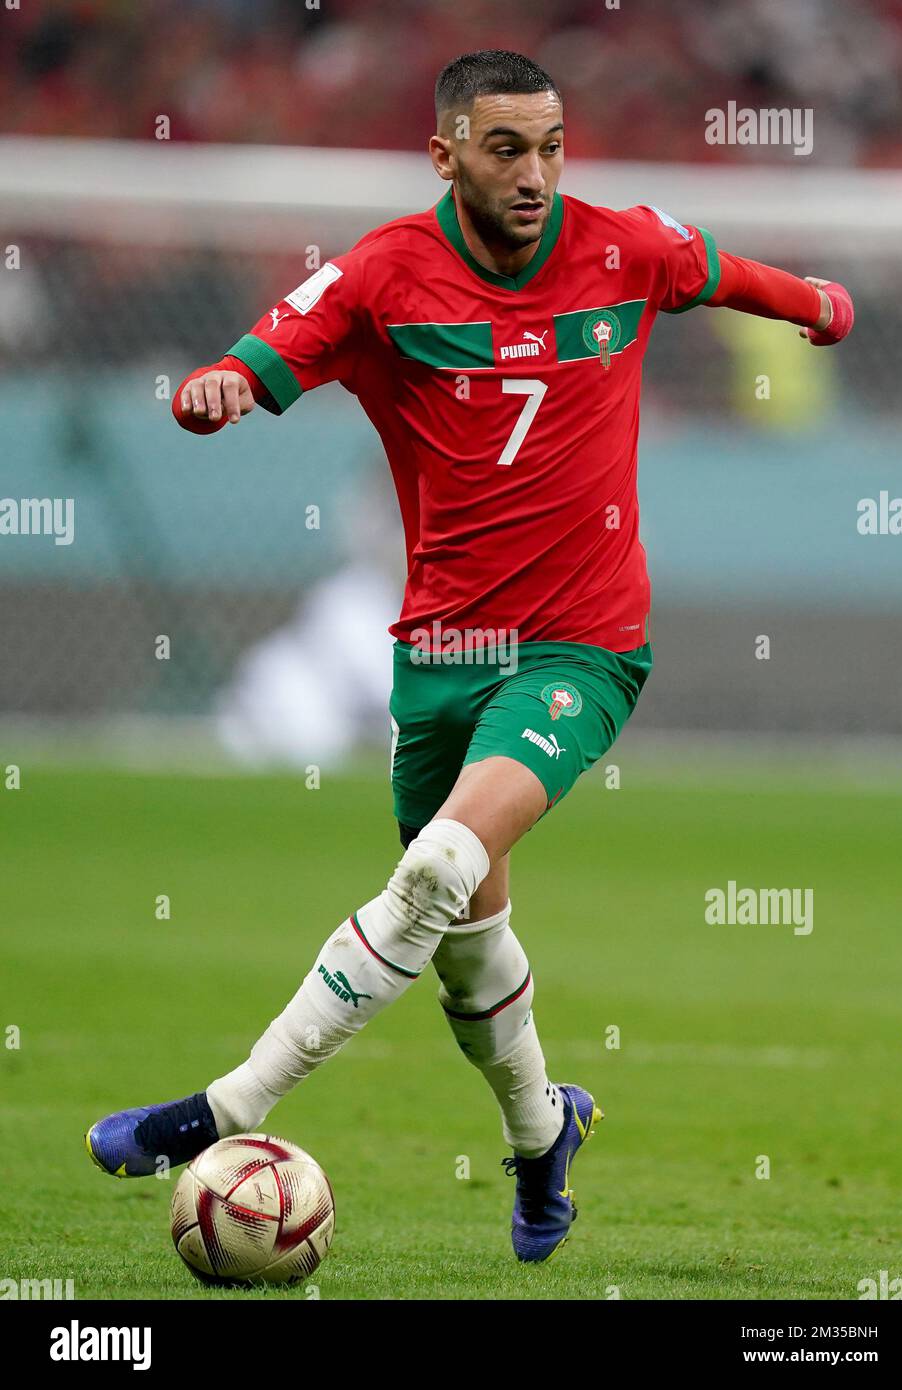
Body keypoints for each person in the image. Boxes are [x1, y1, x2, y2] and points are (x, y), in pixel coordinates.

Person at [86, 49, 853, 1264]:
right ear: (444, 154)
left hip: (583, 645)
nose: (537, 171)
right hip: (440, 654)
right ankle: (543, 1134)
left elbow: (718, 271)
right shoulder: (385, 275)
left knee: (444, 859)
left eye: (551, 144)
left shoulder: (620, 247)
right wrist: (218, 389)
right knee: (465, 944)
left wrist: (814, 302)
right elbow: (256, 357)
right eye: (507, 147)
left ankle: (224, 1108)